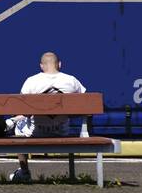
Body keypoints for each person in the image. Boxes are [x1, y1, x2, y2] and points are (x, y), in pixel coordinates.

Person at [8, 51, 86, 182]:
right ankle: (71, 174)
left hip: (35, 133)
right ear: (59, 64)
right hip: (62, 132)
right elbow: (85, 105)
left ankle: (24, 172)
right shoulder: (72, 81)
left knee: (18, 126)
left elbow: (21, 109)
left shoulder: (31, 81)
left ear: (41, 66)